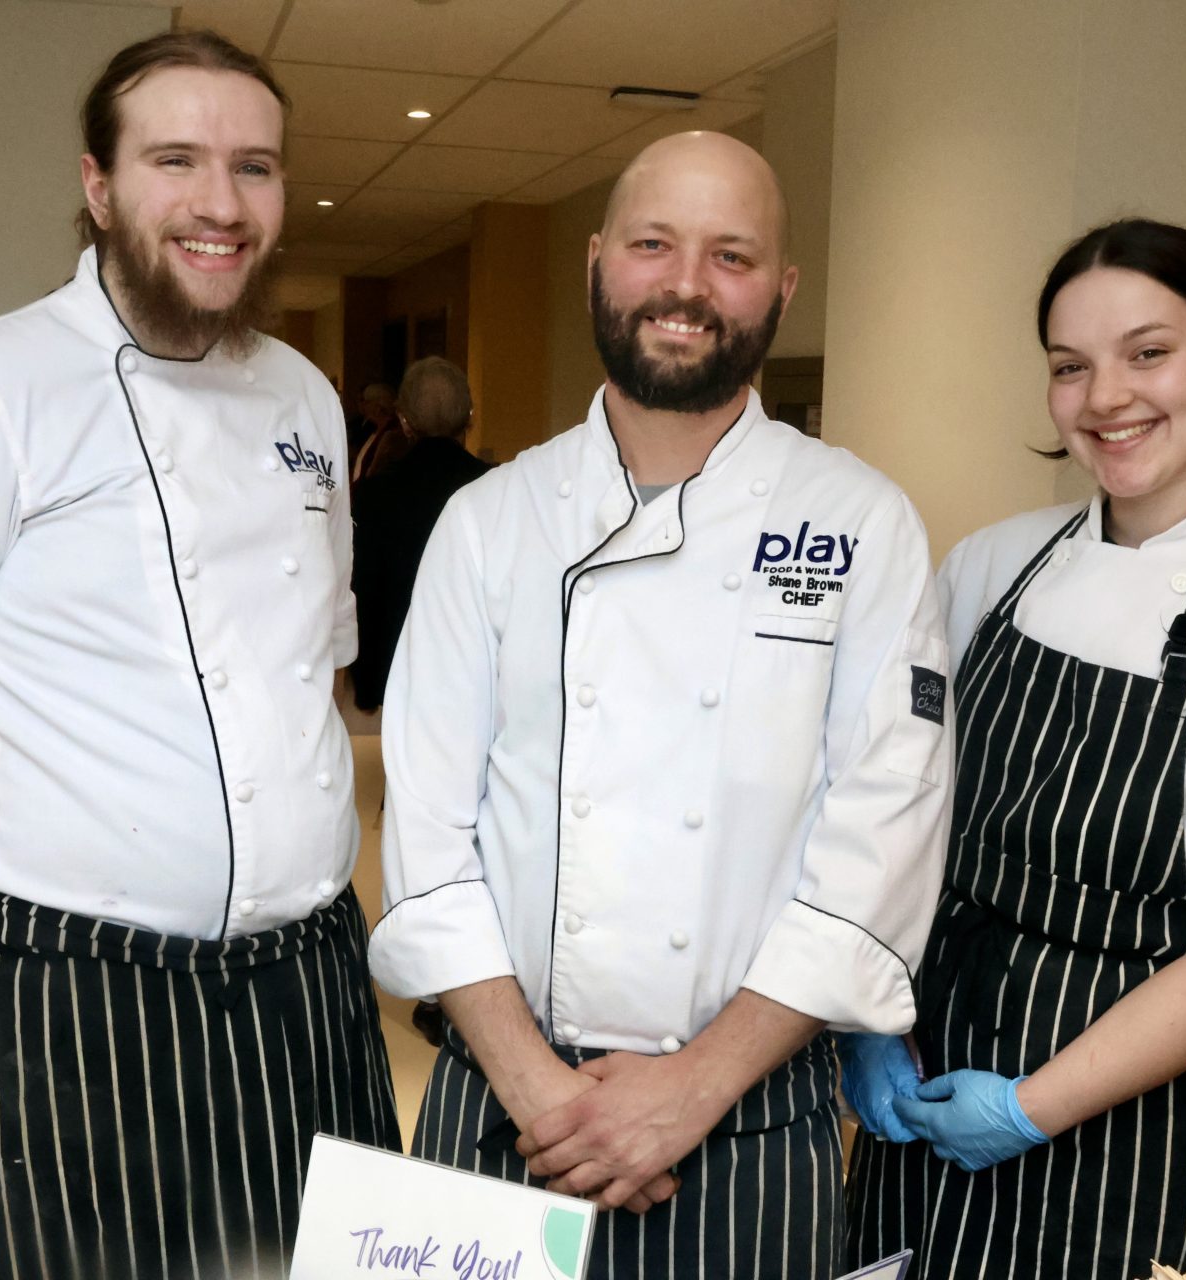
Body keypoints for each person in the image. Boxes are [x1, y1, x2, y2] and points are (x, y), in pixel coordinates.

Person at [0, 31, 397, 1280]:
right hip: (88, 1006)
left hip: (310, 982)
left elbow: (312, 672)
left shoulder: (301, 396)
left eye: (254, 166)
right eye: (175, 159)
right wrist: (70, 879)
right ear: (98, 186)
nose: (219, 203)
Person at [368, 130, 955, 1276]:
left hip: (745, 1117)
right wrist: (542, 1087)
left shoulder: (861, 524)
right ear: (598, 262)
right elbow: (427, 838)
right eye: (654, 244)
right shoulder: (494, 522)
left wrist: (691, 1088)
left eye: (731, 256)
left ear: (781, 290)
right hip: (506, 1099)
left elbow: (882, 839)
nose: (687, 285)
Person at [841, 218, 1186, 1278]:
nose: (1105, 397)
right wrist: (863, 1013)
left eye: (1148, 352)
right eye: (1070, 365)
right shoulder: (989, 569)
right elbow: (897, 810)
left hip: (1139, 1157)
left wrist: (1028, 1106)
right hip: (924, 1112)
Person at [349, 356, 490, 713]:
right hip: (483, 678)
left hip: (402, 679)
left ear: (405, 421)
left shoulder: (374, 496)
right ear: (470, 416)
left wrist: (367, 687)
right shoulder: (500, 487)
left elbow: (366, 595)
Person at [351, 381, 410, 480]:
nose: (363, 406)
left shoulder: (392, 434)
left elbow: (375, 472)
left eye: (367, 402)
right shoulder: (371, 429)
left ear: (378, 406)